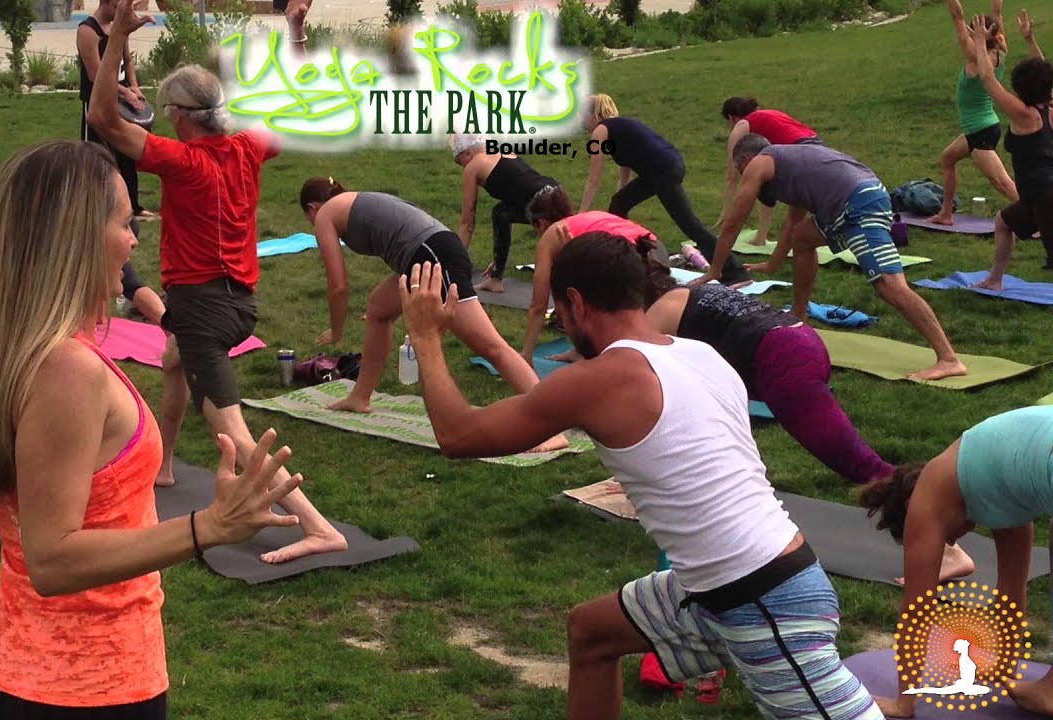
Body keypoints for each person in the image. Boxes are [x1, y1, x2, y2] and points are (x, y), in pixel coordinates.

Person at [0, 139, 308, 719]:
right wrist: (211, 526)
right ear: (77, 238)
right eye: (124, 222)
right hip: (92, 692)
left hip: (5, 678)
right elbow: (53, 560)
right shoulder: (66, 370)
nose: (134, 240)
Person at [398, 238, 882, 720]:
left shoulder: (600, 379)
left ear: (578, 302)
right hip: (724, 581)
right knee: (592, 632)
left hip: (763, 598)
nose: (562, 328)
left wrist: (425, 337)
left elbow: (458, 436)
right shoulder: (701, 353)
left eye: (559, 316)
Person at [86, 0, 347, 563]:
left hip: (204, 307)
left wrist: (112, 41)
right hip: (235, 305)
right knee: (174, 361)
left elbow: (104, 118)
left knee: (233, 430)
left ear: (180, 115)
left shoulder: (183, 161)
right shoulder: (248, 146)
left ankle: (319, 525)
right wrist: (295, 32)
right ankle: (163, 465)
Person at [297, 179, 569, 452]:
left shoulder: (326, 216)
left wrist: (336, 331)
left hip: (432, 254)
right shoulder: (348, 201)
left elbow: (338, 286)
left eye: (308, 218)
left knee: (490, 345)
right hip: (428, 252)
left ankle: (551, 428)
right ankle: (360, 397)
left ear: (312, 208)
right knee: (379, 308)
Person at [711, 133, 968, 382]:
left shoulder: (760, 163)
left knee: (890, 286)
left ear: (745, 160)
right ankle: (799, 315)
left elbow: (734, 222)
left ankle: (948, 359)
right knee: (803, 237)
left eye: (741, 170)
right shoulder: (788, 165)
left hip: (860, 205)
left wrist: (715, 271)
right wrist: (772, 264)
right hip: (847, 204)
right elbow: (793, 223)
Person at [858, 404, 1053, 717]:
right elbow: (1011, 590)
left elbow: (916, 609)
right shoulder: (1002, 484)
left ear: (910, 506)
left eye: (947, 537)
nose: (953, 540)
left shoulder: (930, 492)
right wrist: (1003, 665)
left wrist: (904, 703)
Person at [578, 93, 752, 286]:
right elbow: (625, 167)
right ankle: (627, 260)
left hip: (662, 171)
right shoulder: (619, 126)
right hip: (663, 167)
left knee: (690, 225)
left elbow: (594, 180)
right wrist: (621, 195)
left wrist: (580, 215)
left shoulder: (600, 131)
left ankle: (735, 272)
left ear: (593, 114)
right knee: (619, 204)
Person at [76, 0, 166, 325]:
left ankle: (132, 208)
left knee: (128, 160)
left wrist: (135, 88)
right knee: (102, 163)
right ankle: (101, 211)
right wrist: (122, 93)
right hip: (99, 105)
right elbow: (96, 73)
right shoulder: (87, 30)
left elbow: (126, 61)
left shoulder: (120, 27)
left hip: (123, 103)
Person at [519, 185, 667, 365]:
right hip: (656, 249)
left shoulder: (552, 234)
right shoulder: (588, 219)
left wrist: (526, 354)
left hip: (632, 257)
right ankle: (580, 351)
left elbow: (538, 305)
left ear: (541, 224)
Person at [970, 12, 1053, 288]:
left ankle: (994, 279)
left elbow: (987, 77)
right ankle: (994, 280)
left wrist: (980, 42)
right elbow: (1045, 74)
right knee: (1003, 222)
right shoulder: (1048, 110)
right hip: (1035, 195)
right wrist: (1030, 40)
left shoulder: (1023, 115)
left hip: (1045, 195)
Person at [924, 0, 1021, 227]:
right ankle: (946, 213)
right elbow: (996, 13)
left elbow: (957, 16)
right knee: (947, 159)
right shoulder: (999, 51)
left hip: (981, 130)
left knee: (1001, 182)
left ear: (979, 36)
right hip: (977, 127)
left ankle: (1039, 217)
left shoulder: (975, 57)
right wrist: (994, 11)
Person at [449, 133, 561, 293]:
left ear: (468, 153)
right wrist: (498, 259)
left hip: (539, 202)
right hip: (555, 191)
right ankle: (495, 278)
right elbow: (514, 203)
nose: (463, 167)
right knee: (501, 213)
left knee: (561, 253)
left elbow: (467, 223)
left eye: (461, 162)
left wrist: (454, 265)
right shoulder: (502, 152)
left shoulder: (473, 166)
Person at [717, 97, 822, 246]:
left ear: (731, 117)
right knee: (770, 184)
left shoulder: (741, 125)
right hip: (817, 146)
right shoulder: (769, 115)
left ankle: (763, 238)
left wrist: (726, 212)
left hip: (799, 150)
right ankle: (761, 237)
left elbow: (732, 175)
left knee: (762, 182)